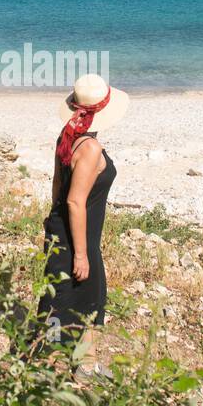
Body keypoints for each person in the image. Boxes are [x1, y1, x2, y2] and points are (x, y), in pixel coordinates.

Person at [39, 73, 128, 375]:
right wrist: (80, 253)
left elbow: (57, 183)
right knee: (60, 300)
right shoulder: (89, 149)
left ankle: (87, 364)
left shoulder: (69, 136)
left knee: (89, 297)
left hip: (67, 228)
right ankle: (43, 367)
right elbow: (76, 201)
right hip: (76, 233)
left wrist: (52, 217)